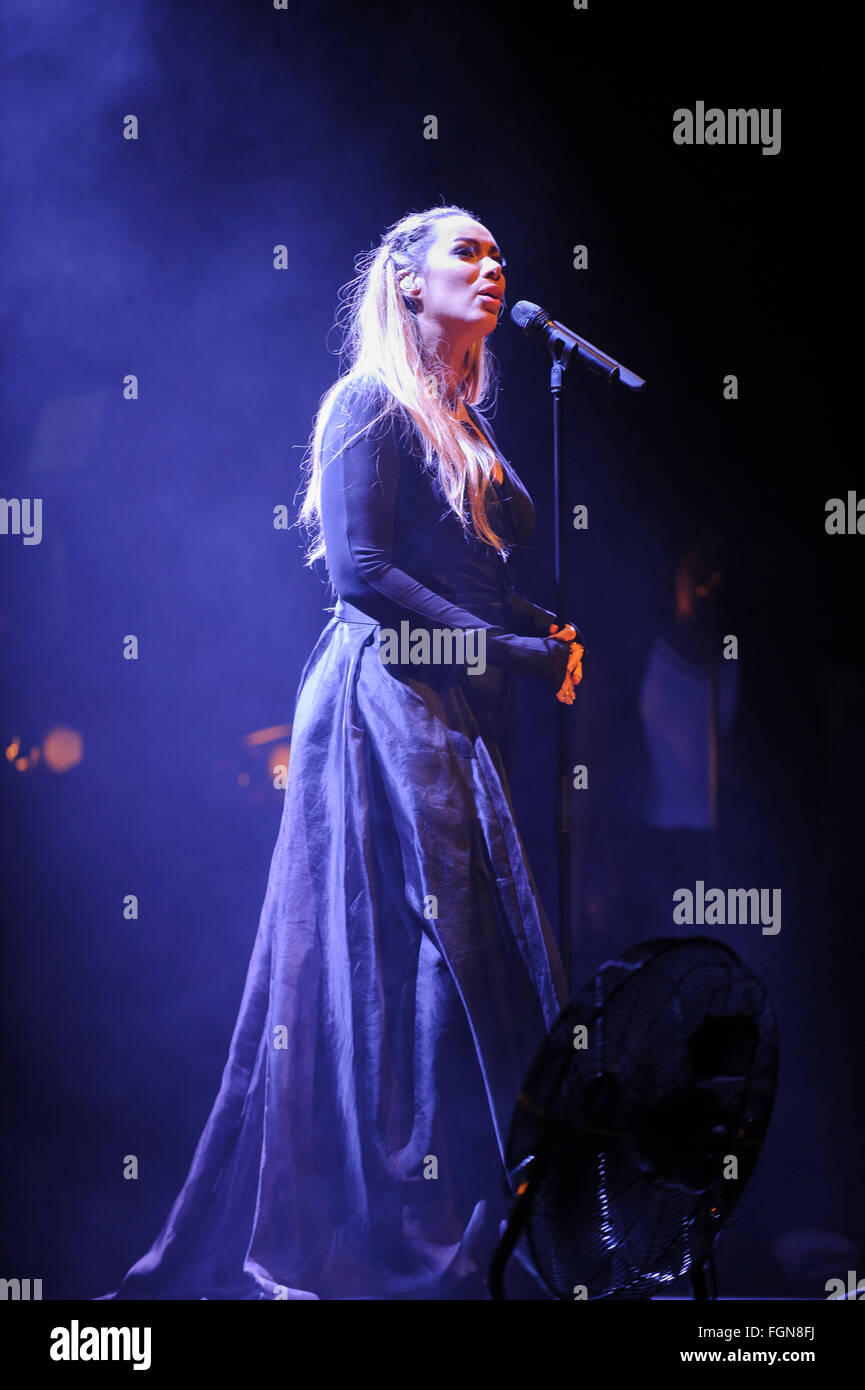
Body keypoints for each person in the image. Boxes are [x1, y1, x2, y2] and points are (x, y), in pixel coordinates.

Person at [97, 204, 586, 1302]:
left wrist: (532, 630)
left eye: (500, 252)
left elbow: (465, 575)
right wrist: (506, 649)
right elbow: (362, 574)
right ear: (409, 282)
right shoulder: (367, 403)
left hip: (454, 703)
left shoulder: (465, 425)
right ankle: (385, 1229)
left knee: (465, 953)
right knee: (396, 951)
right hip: (387, 698)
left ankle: (467, 1220)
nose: (493, 265)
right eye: (468, 249)